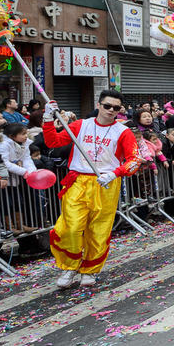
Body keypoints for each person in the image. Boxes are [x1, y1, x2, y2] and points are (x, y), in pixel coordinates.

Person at [42, 91, 140, 290]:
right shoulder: (81, 125)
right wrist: (47, 119)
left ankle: (90, 269)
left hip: (105, 184)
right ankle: (70, 267)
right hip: (77, 182)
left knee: (98, 229)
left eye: (116, 108)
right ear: (99, 105)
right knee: (69, 227)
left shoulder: (123, 131)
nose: (111, 110)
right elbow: (53, 142)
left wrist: (114, 173)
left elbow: (135, 159)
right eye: (107, 106)